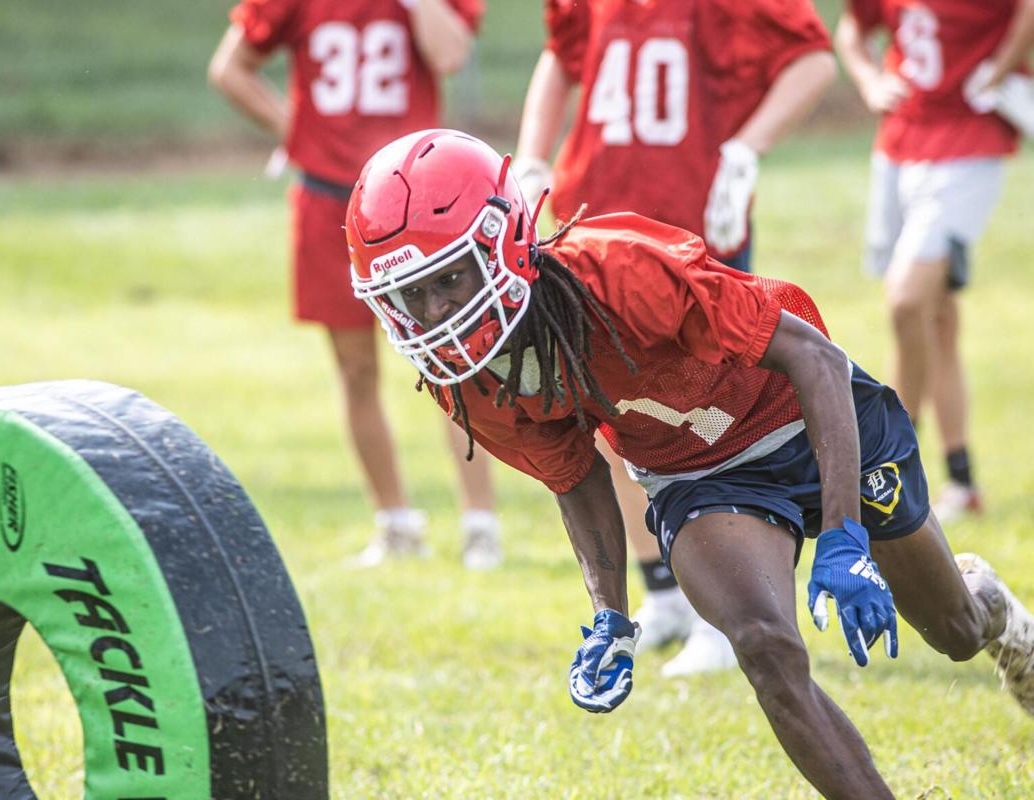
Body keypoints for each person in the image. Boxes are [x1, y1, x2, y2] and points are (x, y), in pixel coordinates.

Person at [345, 129, 1034, 798]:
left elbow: (814, 358)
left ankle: (994, 609)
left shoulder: (619, 269)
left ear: (504, 241)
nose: (436, 314)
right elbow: (575, 475)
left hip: (803, 413)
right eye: (412, 295)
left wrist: (845, 534)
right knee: (765, 647)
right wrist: (610, 615)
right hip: (700, 476)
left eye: (451, 279)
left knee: (955, 633)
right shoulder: (463, 378)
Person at [511, 0, 838, 675]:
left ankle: (729, 609)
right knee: (609, 415)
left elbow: (812, 60)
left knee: (710, 423)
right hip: (589, 229)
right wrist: (535, 156)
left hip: (687, 238)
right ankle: (661, 590)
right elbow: (562, 55)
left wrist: (749, 146)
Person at [207, 0, 505, 568]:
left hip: (419, 204)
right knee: (354, 367)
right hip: (328, 196)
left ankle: (480, 523)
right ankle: (395, 523)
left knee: (456, 359)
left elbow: (452, 53)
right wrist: (297, 132)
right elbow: (229, 67)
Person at [834, 0, 1034, 524]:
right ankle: (961, 479)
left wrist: (1003, 64)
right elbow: (854, 30)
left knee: (905, 302)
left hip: (969, 139)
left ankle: (891, 467)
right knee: (934, 317)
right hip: (902, 143)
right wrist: (869, 81)